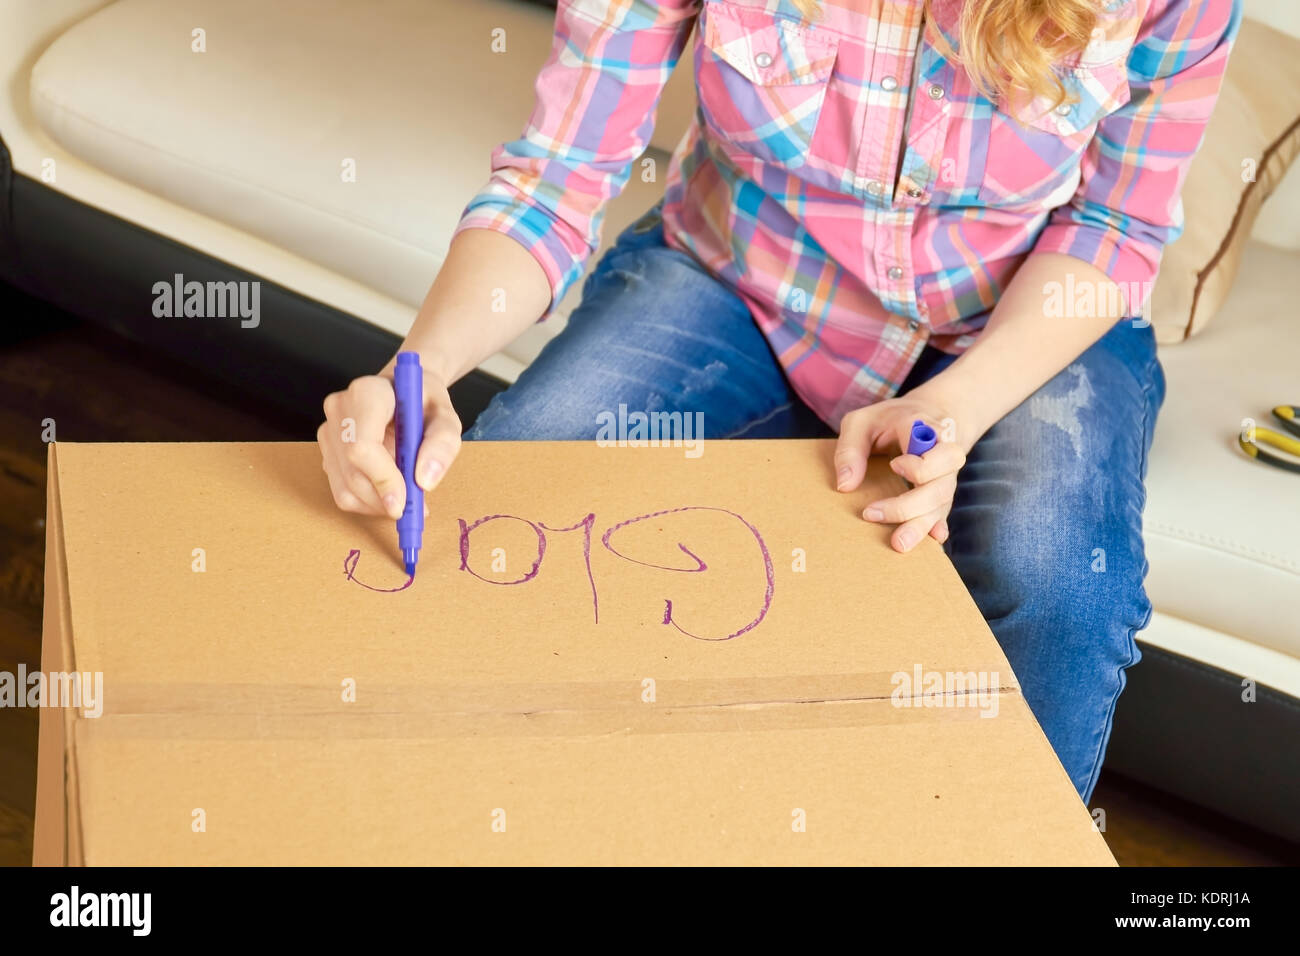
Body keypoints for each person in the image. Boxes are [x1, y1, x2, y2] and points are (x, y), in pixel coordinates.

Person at [317, 0, 1241, 802]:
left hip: (1032, 317)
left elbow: (1117, 224)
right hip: (744, 279)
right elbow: (555, 178)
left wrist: (959, 405)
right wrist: (423, 366)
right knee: (510, 499)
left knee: (1057, 585)